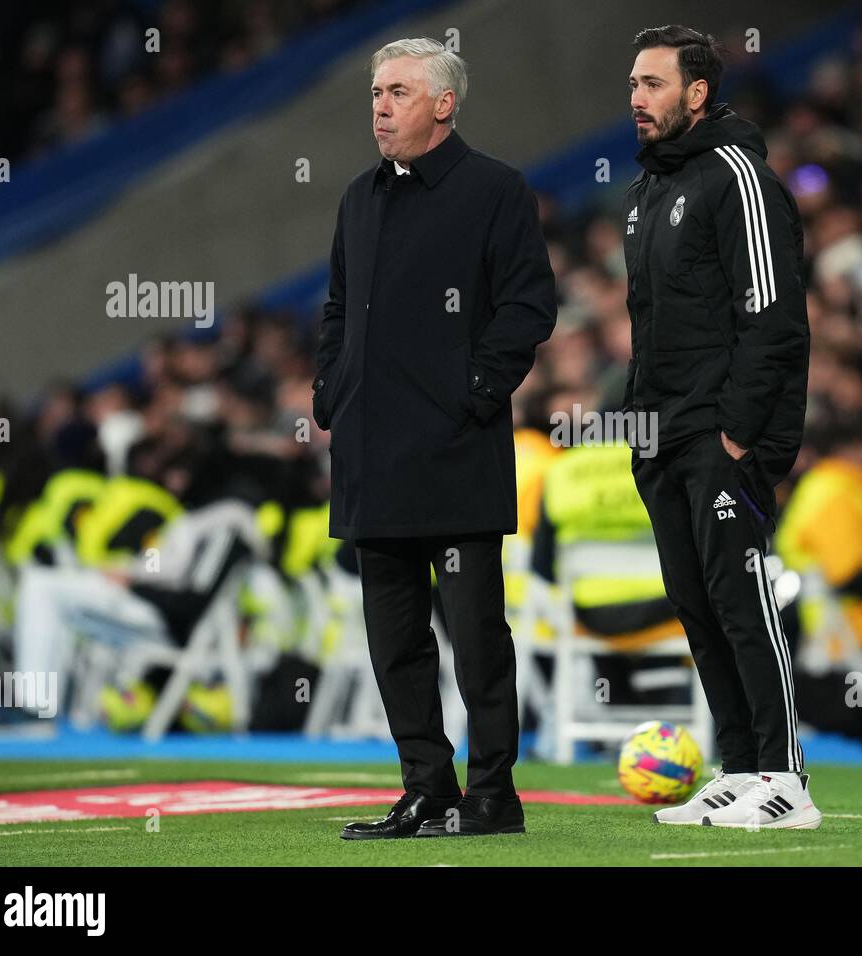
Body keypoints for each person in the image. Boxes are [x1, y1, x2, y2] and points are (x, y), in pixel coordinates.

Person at [315, 38, 556, 839]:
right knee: (394, 639)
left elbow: (528, 307)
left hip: (456, 450)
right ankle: (427, 786)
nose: (378, 106)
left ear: (443, 103)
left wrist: (477, 392)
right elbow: (339, 308)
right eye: (374, 92)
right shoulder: (357, 197)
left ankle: (493, 792)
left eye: (396, 92)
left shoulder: (495, 190)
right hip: (370, 453)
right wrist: (330, 391)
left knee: (477, 634)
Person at [622, 26, 817, 829]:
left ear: (697, 93)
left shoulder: (739, 176)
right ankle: (740, 769)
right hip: (661, 435)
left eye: (653, 85)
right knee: (698, 606)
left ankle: (788, 779)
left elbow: (774, 319)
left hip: (718, 436)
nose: (636, 99)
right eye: (632, 84)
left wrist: (742, 438)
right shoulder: (646, 192)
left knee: (743, 605)